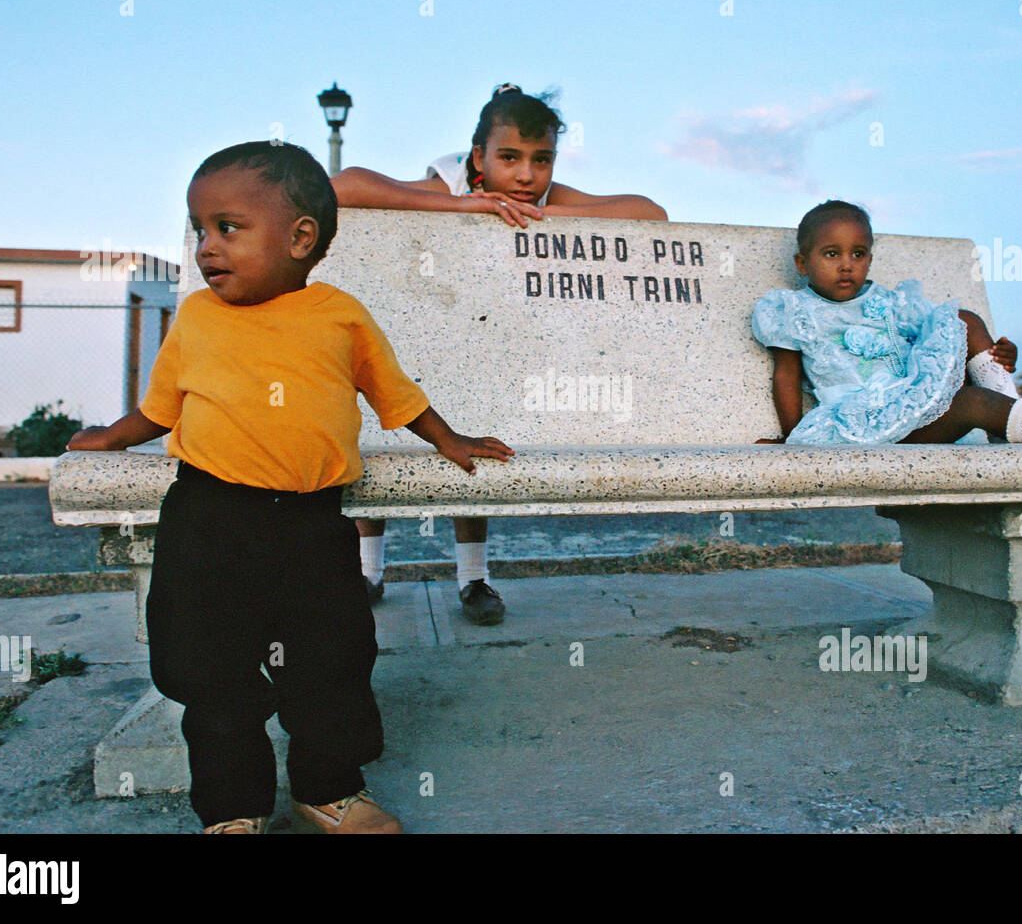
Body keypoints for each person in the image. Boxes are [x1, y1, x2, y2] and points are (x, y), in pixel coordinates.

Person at [67, 141, 513, 834]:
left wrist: (447, 439)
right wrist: (113, 436)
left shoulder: (340, 315)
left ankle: (329, 789)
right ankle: (232, 810)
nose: (205, 248)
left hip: (312, 524)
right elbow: (161, 407)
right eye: (199, 230)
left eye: (228, 227)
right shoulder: (197, 317)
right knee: (215, 674)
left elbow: (393, 391)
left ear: (301, 237)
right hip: (211, 519)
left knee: (332, 660)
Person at [332, 83, 667, 626]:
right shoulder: (453, 180)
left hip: (479, 336)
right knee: (379, 437)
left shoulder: (542, 193)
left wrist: (553, 214)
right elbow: (342, 186)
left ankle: (473, 578)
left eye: (542, 160)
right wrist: (461, 205)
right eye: (509, 158)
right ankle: (367, 572)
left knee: (471, 444)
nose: (526, 175)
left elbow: (652, 213)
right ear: (477, 158)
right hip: (408, 319)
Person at [751, 200, 1022, 447]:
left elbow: (946, 337)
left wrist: (997, 352)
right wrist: (793, 440)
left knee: (962, 318)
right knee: (973, 403)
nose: (846, 265)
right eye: (831, 254)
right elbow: (786, 376)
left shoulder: (888, 303)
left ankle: (1010, 408)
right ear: (802, 262)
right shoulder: (794, 310)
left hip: (916, 410)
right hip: (861, 427)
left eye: (858, 253)